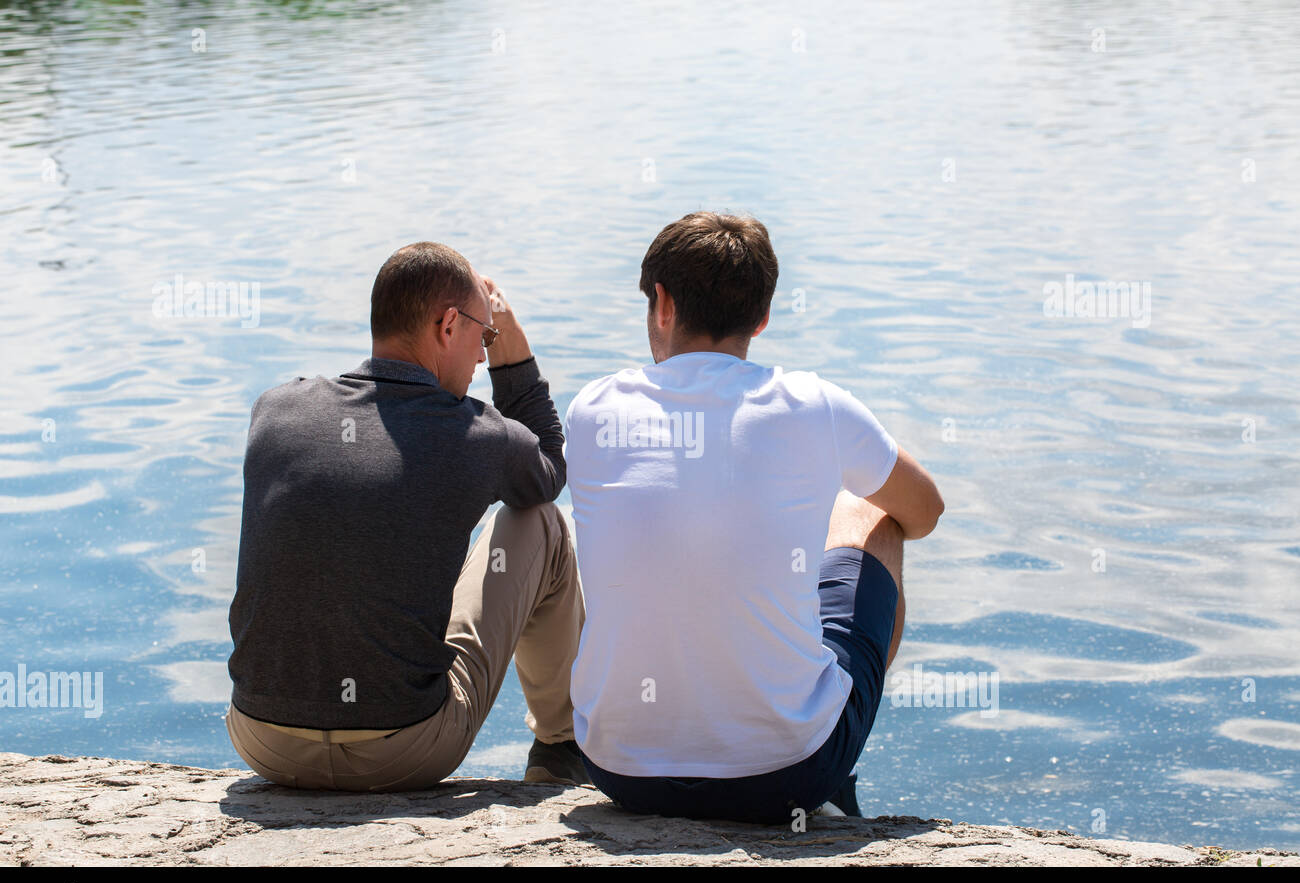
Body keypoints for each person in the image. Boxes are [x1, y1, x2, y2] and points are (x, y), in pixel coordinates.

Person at [563, 211, 944, 823]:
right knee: (872, 508)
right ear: (763, 317)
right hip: (786, 776)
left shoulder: (593, 408)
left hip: (619, 769)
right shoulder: (814, 403)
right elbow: (925, 509)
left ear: (661, 304)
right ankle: (829, 763)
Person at [224, 241, 590, 791]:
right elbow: (549, 466)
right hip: (404, 750)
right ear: (449, 325)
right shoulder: (477, 434)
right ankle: (560, 749)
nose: (481, 357)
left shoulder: (275, 409)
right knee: (540, 521)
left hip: (262, 740)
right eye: (483, 338)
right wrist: (515, 356)